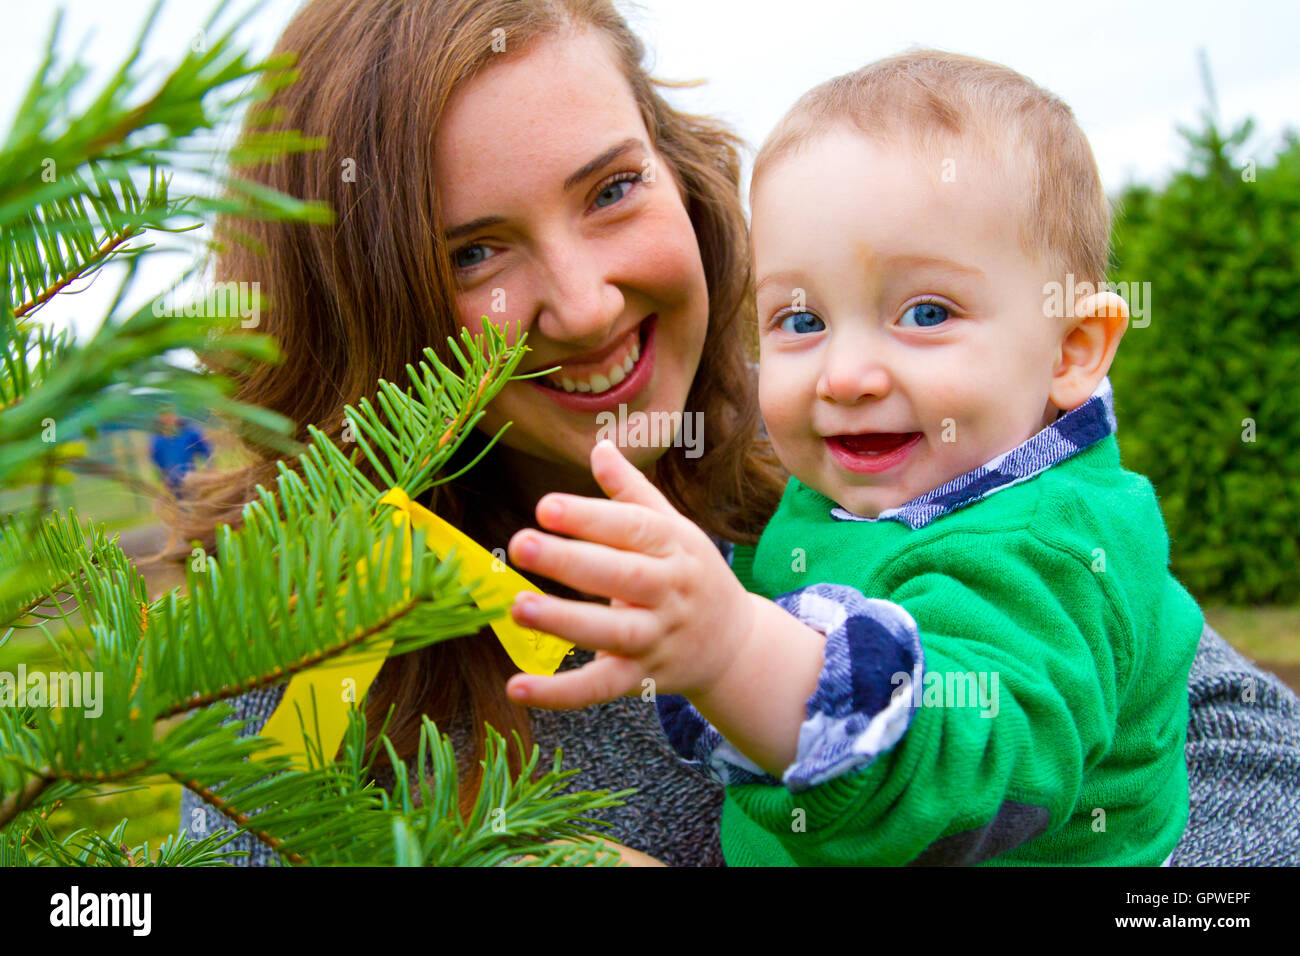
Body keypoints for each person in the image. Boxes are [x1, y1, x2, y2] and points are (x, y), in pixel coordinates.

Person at [168, 1, 1299, 866]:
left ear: (681, 176)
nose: (589, 301)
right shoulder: (303, 655)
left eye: (610, 189)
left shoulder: (872, 474)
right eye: (473, 251)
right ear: (357, 305)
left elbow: (1252, 770)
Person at [501, 50, 1205, 865]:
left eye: (927, 312)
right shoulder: (850, 483)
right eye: (801, 321)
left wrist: (736, 650)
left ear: (1071, 349)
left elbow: (970, 773)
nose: (845, 377)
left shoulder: (1055, 544)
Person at [149, 411, 211, 496]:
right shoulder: (157, 440)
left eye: (170, 415)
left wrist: (209, 466)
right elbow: (157, 460)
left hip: (191, 477)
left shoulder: (190, 433)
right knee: (179, 505)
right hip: (172, 482)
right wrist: (163, 478)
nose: (168, 419)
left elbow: (205, 449)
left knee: (195, 499)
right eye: (164, 416)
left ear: (176, 416)